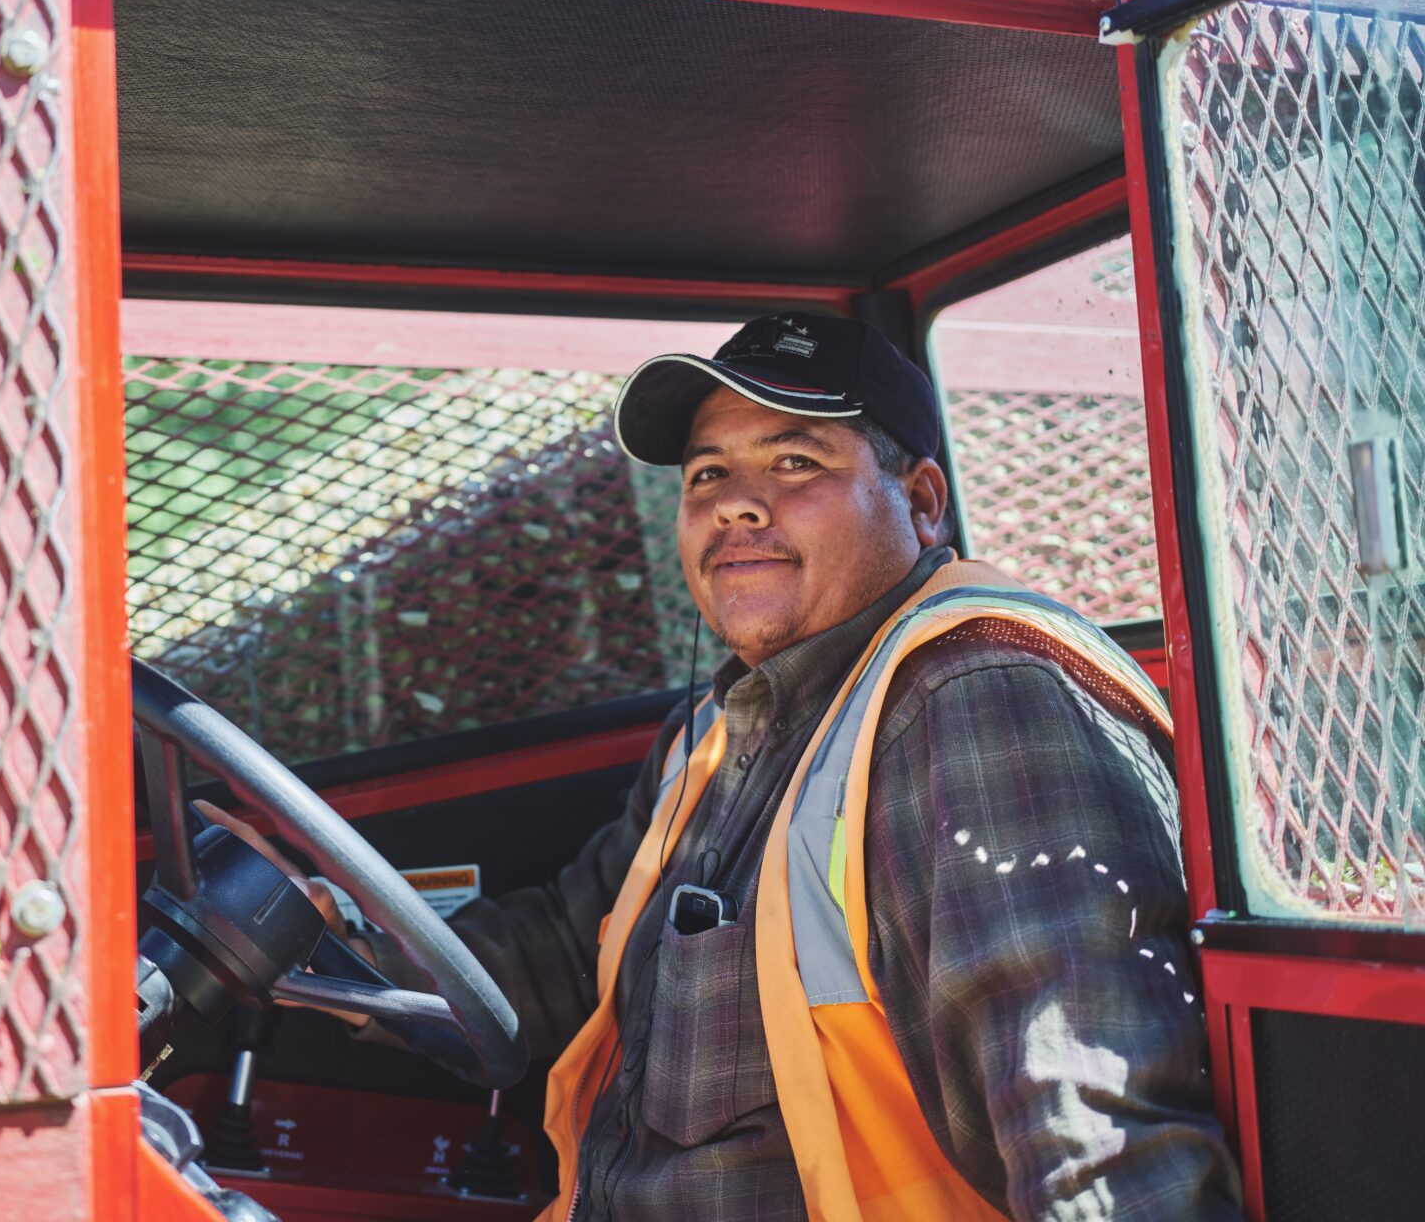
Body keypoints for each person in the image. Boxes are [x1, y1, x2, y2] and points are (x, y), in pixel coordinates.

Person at [212, 312, 1241, 1221]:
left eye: (794, 463)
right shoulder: (727, 718)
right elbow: (572, 955)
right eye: (709, 473)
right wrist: (327, 944)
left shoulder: (972, 702)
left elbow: (1090, 1126)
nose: (738, 504)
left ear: (923, 502)